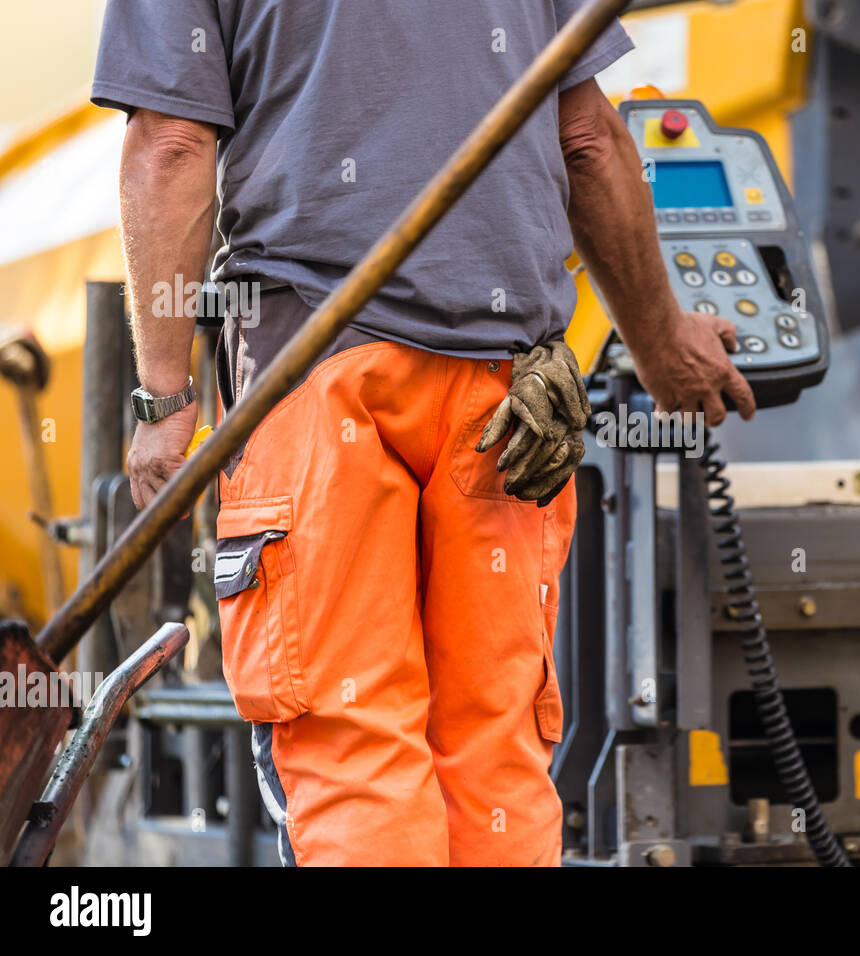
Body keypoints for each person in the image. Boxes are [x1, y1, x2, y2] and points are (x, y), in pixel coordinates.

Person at [92, 0, 754, 866]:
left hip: (317, 377)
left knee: (353, 747)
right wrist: (662, 341)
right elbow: (586, 136)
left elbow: (172, 144)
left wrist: (163, 401)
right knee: (496, 756)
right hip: (504, 399)